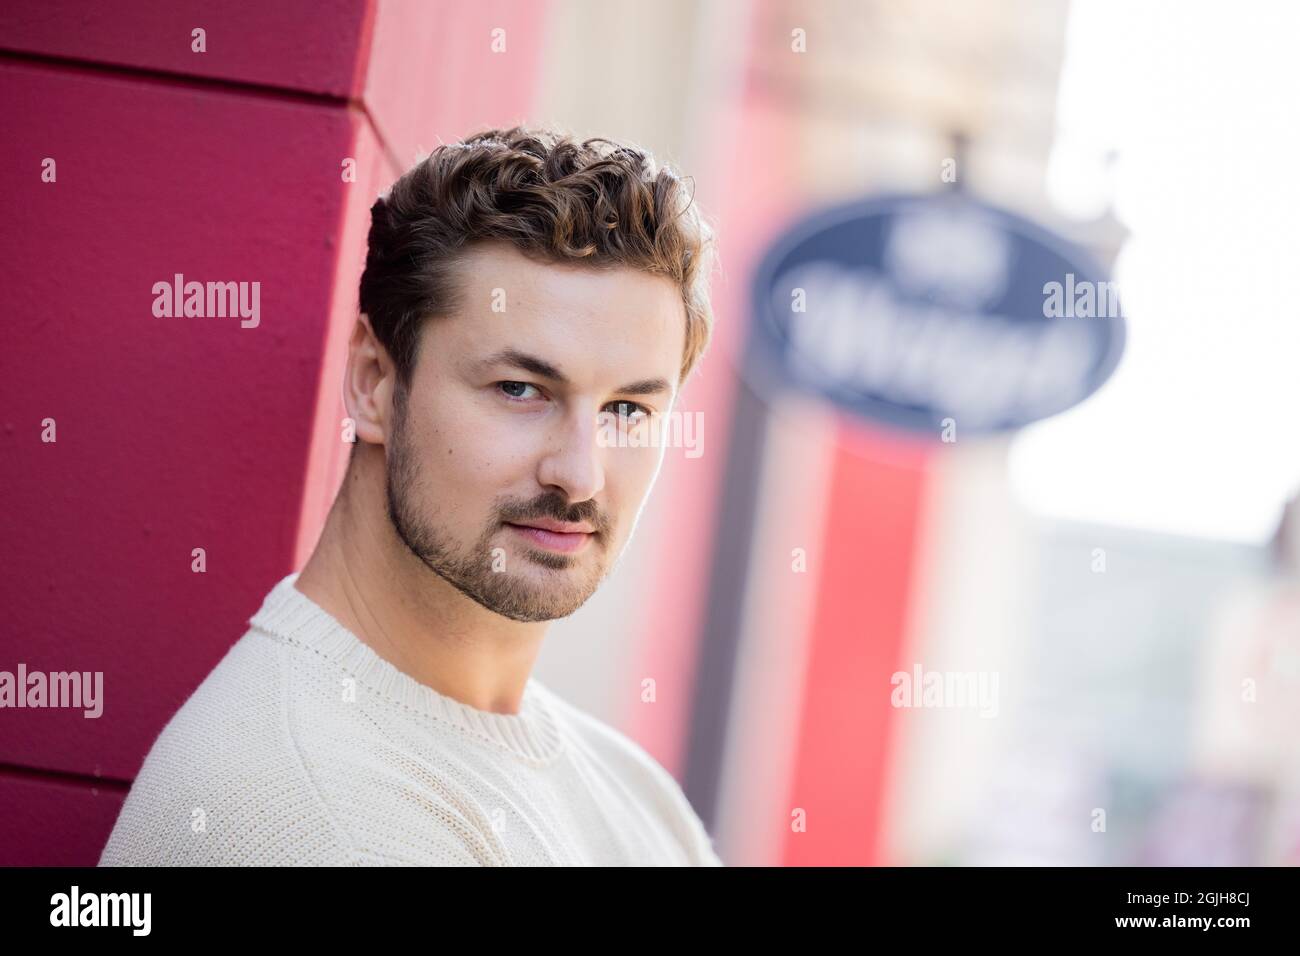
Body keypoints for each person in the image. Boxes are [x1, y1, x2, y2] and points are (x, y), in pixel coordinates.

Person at [99, 126, 722, 866]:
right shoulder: (305, 815)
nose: (580, 474)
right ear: (373, 383)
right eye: (521, 389)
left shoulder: (639, 800)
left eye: (627, 411)